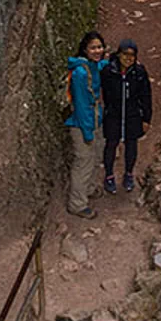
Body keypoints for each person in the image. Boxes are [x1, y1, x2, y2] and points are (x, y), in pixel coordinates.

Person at [100, 39, 153, 194]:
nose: (128, 58)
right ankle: (109, 175)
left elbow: (146, 96)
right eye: (125, 54)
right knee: (111, 144)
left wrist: (146, 119)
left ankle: (129, 174)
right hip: (113, 115)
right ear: (118, 54)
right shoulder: (109, 72)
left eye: (132, 55)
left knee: (131, 145)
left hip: (133, 115)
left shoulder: (139, 72)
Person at [64, 31, 106, 216]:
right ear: (84, 50)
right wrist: (87, 131)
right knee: (83, 162)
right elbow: (80, 104)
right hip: (82, 124)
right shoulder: (81, 73)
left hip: (94, 119)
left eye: (99, 47)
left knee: (95, 156)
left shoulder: (93, 66)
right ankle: (77, 204)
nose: (97, 51)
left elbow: (102, 65)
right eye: (93, 48)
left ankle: (88, 189)